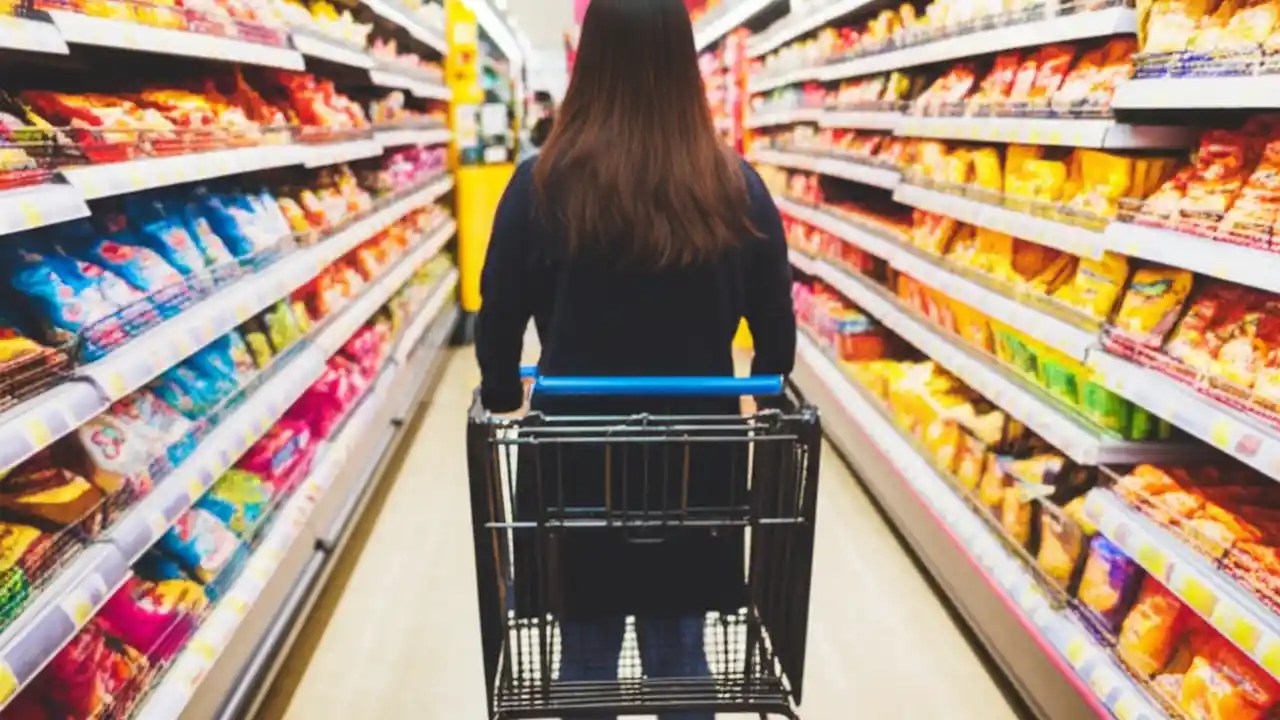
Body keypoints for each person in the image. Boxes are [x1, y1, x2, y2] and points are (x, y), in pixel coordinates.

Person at [474, 0, 795, 717]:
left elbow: (497, 320)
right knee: (682, 649)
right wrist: (763, 393)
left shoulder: (539, 184)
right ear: (685, 69)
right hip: (697, 457)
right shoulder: (736, 186)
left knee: (584, 652)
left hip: (575, 455)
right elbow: (778, 333)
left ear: (591, 63)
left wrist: (502, 391)